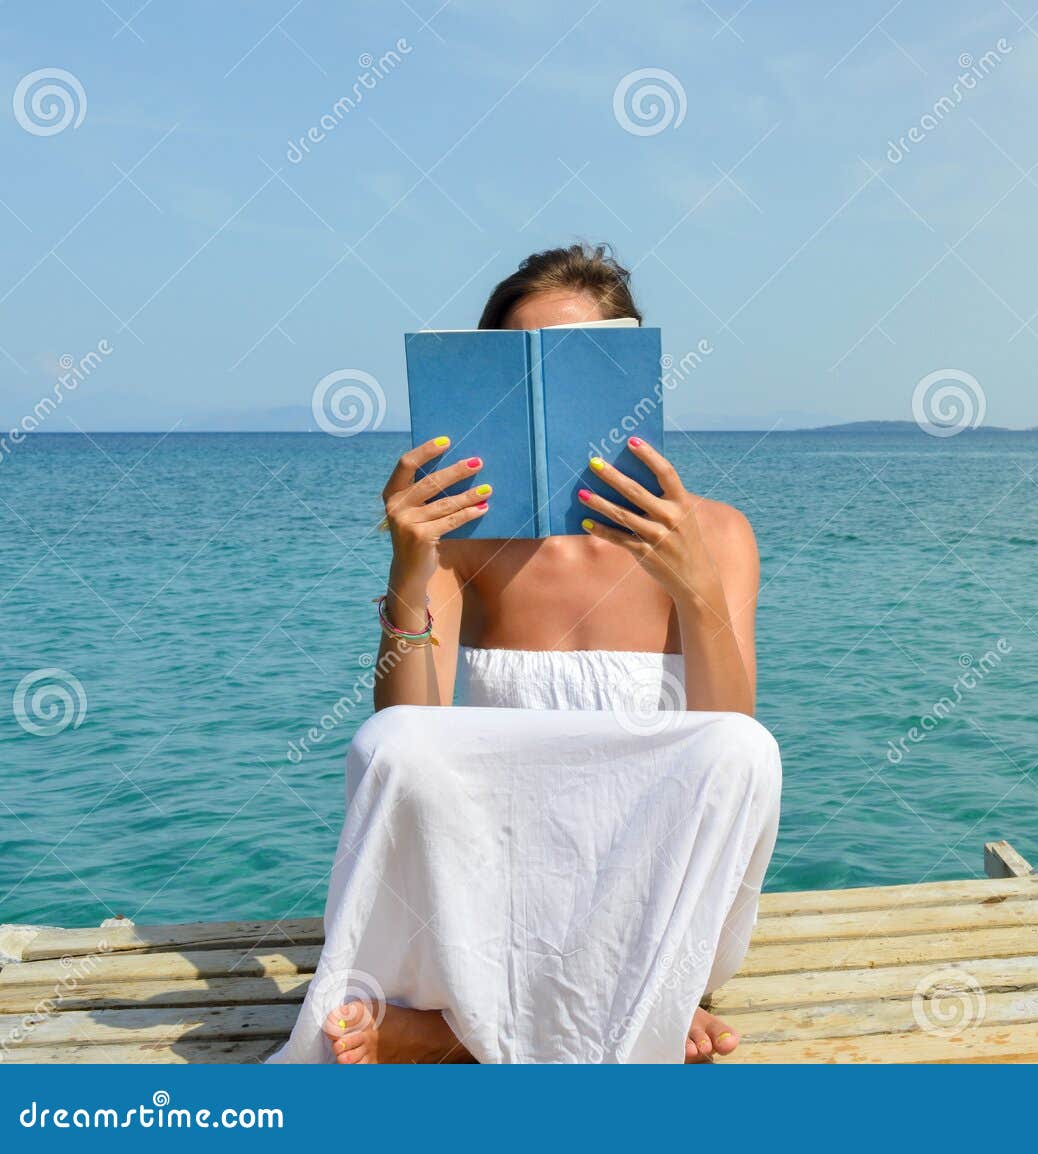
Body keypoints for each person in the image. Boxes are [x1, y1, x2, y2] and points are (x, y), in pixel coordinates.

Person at [270, 244, 780, 1064]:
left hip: (645, 889)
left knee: (742, 748)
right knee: (384, 743)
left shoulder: (713, 532)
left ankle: (455, 1031)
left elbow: (730, 739)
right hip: (496, 885)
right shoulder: (466, 544)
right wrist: (411, 568)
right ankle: (624, 1013)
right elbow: (411, 726)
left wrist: (693, 586)